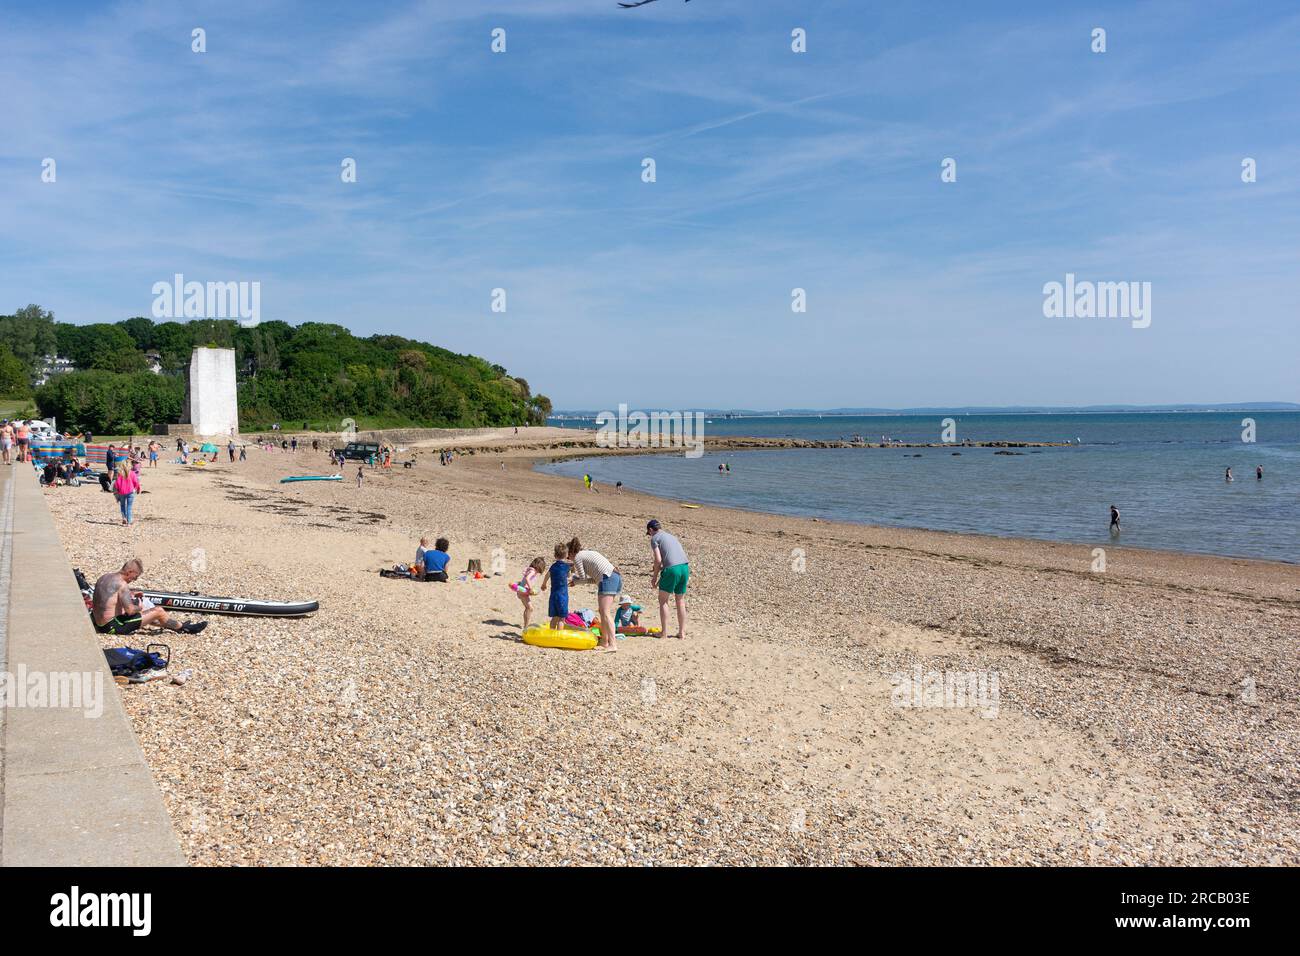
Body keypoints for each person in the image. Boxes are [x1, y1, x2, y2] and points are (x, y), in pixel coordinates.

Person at [92, 559, 207, 635]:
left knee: (151, 616)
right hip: (112, 627)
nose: (134, 580)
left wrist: (130, 594)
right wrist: (139, 606)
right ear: (129, 572)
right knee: (158, 611)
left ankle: (178, 626)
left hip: (99, 623)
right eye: (135, 577)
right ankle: (185, 629)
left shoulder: (105, 577)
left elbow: (108, 600)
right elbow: (130, 610)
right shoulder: (122, 584)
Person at [567, 537, 621, 652]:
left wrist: (575, 580)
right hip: (613, 577)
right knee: (602, 612)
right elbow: (593, 579)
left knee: (605, 613)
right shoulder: (588, 553)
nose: (569, 559)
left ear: (571, 553)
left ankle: (613, 644)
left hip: (608, 578)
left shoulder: (578, 557)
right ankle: (605, 642)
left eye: (568, 557)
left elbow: (582, 577)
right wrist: (577, 582)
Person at [647, 519, 689, 640]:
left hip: (672, 569)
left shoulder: (655, 538)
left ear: (650, 530)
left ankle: (664, 633)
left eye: (649, 533)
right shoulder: (670, 536)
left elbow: (658, 560)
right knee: (680, 600)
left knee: (663, 601)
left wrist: (654, 577)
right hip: (685, 567)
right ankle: (682, 633)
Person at [541, 543, 571, 629]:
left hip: (554, 595)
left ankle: (552, 634)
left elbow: (547, 575)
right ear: (566, 555)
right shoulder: (566, 566)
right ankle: (558, 636)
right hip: (563, 596)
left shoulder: (553, 566)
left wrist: (544, 584)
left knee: (554, 617)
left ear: (555, 555)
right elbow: (569, 576)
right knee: (562, 619)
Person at [511, 557, 547, 630]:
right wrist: (531, 588)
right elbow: (527, 578)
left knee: (528, 608)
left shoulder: (530, 570)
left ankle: (525, 625)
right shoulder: (533, 571)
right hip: (523, 591)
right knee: (529, 608)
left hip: (522, 591)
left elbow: (525, 579)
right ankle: (526, 627)